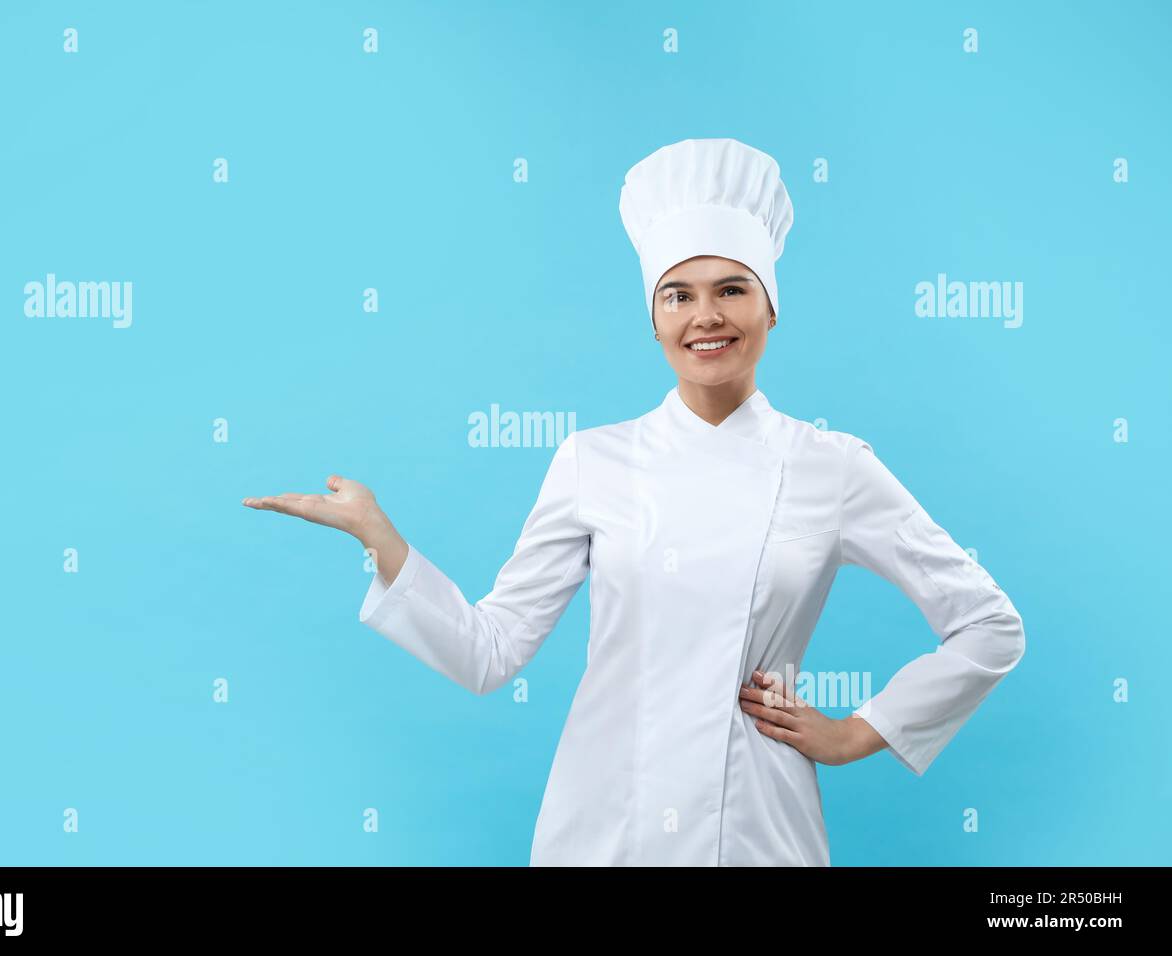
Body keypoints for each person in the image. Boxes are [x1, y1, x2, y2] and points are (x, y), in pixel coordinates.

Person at [243, 138, 1027, 866]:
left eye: (731, 290)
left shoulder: (832, 466)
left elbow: (990, 626)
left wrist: (863, 731)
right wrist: (381, 540)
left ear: (771, 306)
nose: (705, 316)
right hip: (603, 823)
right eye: (678, 295)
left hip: (756, 826)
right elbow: (491, 652)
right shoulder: (593, 460)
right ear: (653, 320)